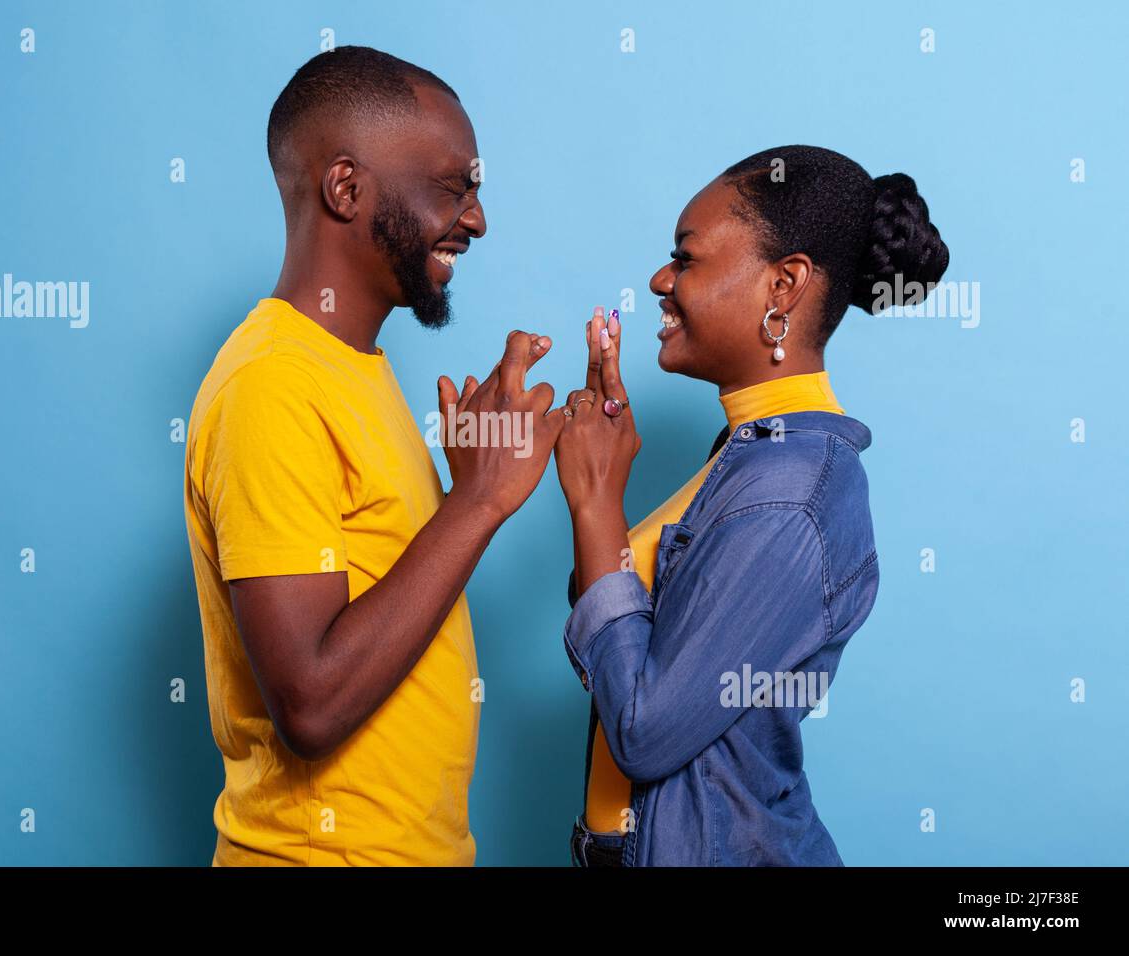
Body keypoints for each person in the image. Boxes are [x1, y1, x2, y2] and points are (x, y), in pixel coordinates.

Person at [183, 46, 562, 866]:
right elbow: (311, 706)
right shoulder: (271, 387)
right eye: (453, 186)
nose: (477, 218)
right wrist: (480, 502)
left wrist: (468, 482)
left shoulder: (349, 367)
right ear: (346, 188)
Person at [553, 145, 950, 866]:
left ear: (784, 285)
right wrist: (604, 474)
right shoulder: (745, 451)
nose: (660, 279)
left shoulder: (789, 494)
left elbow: (643, 730)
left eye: (687, 258)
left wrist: (596, 501)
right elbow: (630, 648)